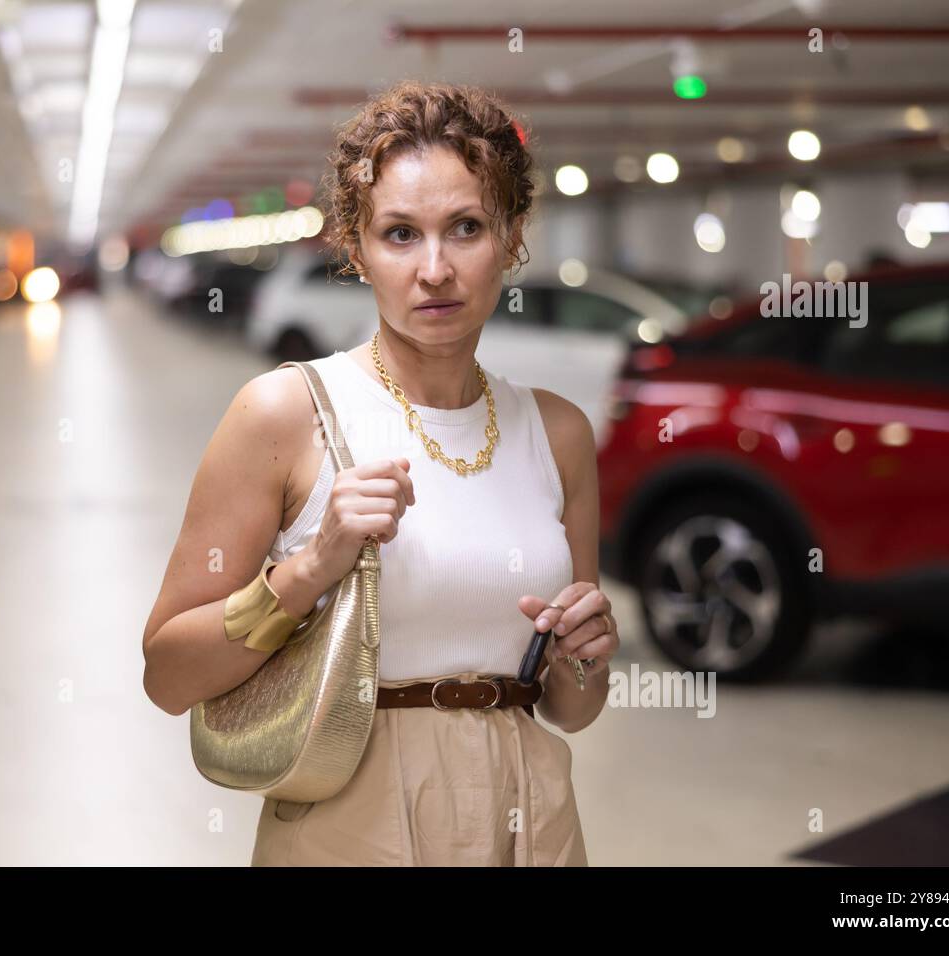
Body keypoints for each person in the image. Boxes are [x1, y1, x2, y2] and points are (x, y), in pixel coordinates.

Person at [141, 80, 620, 866]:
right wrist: (309, 569)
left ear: (511, 236)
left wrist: (585, 656)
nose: (435, 269)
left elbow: (572, 709)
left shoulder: (557, 431)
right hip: (351, 819)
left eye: (465, 227)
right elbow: (167, 675)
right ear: (356, 250)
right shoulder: (284, 412)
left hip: (526, 818)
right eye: (401, 234)